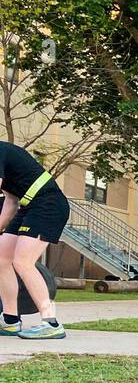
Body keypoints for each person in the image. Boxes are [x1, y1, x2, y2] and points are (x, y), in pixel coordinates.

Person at [0, 140, 69, 339]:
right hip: (26, 205)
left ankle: (51, 323)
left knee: (23, 262)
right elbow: (11, 203)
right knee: (2, 258)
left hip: (48, 203)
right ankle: (11, 321)